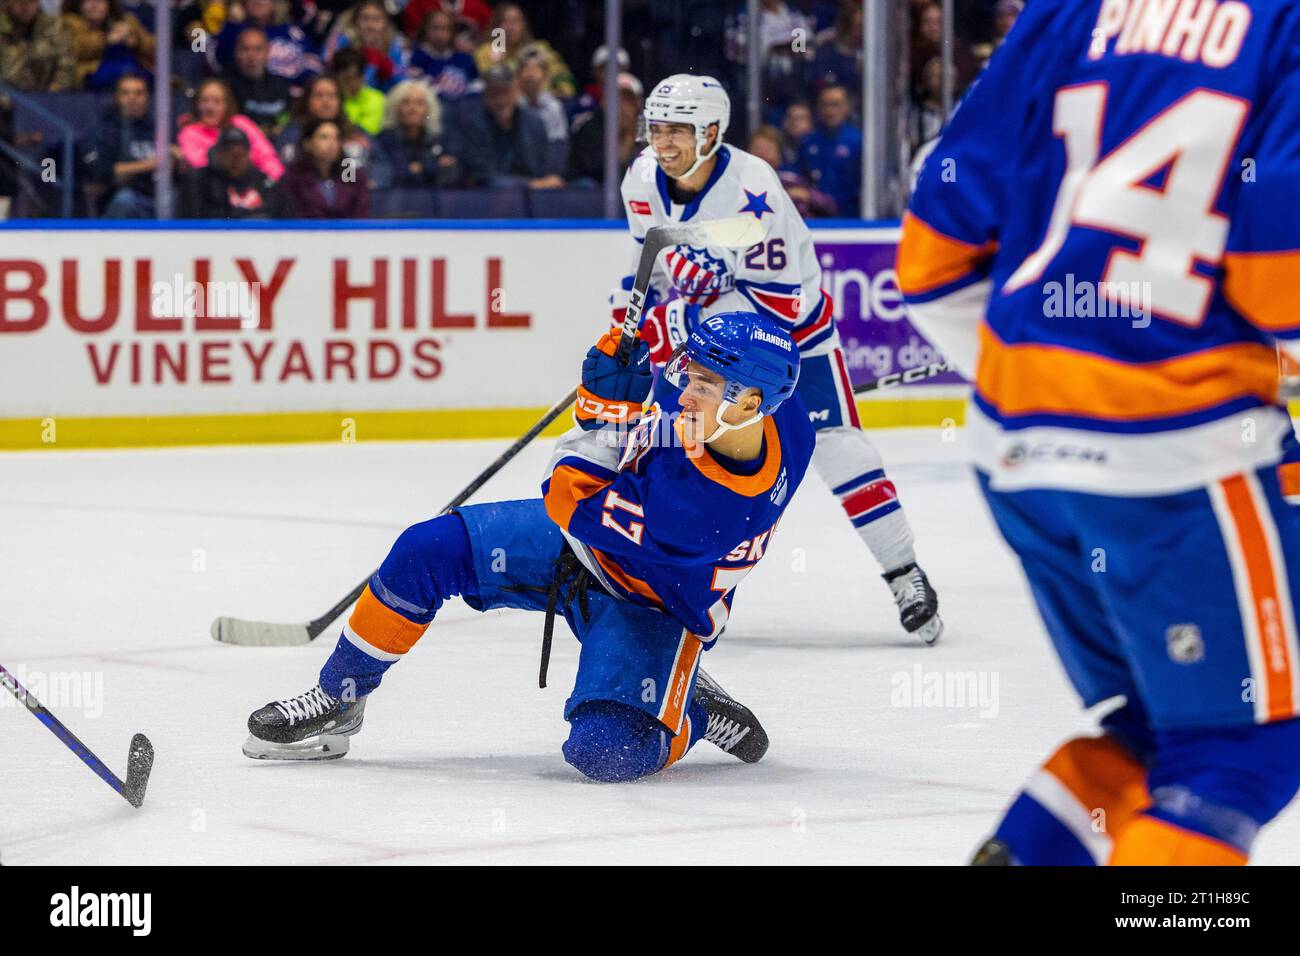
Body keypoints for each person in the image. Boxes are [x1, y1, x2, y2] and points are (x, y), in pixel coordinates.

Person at [898, 0, 1300, 866]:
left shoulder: (1069, 10)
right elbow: (1282, 280)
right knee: (1244, 752)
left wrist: (1057, 389)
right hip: (1179, 456)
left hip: (1013, 451)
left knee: (1163, 727)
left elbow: (929, 261)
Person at [243, 312, 814, 784]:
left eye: (704, 386)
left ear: (747, 405)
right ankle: (338, 697)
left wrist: (599, 414)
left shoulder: (700, 515)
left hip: (655, 600)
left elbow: (567, 493)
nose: (684, 391)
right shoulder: (783, 418)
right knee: (426, 549)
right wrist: (635, 352)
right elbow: (675, 408)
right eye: (691, 374)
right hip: (591, 547)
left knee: (605, 755)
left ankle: (687, 706)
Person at [614, 74, 943, 644]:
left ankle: (903, 573)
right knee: (674, 440)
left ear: (712, 132)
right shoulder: (641, 179)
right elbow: (649, 264)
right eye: (657, 128)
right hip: (711, 347)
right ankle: (683, 583)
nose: (662, 144)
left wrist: (687, 318)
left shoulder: (751, 188)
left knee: (839, 449)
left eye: (678, 132)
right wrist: (633, 320)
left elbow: (778, 305)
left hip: (796, 340)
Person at [457, 62, 562, 189]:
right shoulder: (472, 125)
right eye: (494, 94)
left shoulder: (534, 123)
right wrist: (531, 185)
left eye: (505, 92)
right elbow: (482, 175)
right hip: (489, 198)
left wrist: (544, 181)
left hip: (533, 197)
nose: (500, 100)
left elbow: (542, 166)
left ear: (516, 91)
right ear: (485, 96)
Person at [84, 70, 160, 217]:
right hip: (117, 200)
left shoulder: (158, 128)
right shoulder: (102, 130)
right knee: (125, 200)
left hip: (155, 198)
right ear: (117, 97)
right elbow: (101, 172)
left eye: (139, 93)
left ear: (147, 98)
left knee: (175, 199)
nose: (132, 98)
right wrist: (151, 164)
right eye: (126, 93)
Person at [178, 77, 285, 181]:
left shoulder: (242, 123)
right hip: (213, 190)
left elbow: (267, 156)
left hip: (254, 186)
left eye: (217, 101)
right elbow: (200, 166)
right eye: (205, 101)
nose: (210, 107)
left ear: (227, 104)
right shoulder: (189, 133)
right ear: (196, 104)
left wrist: (272, 181)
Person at [472, 3, 572, 99]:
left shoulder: (540, 49)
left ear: (523, 24)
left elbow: (562, 74)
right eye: (505, 22)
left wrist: (563, 91)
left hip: (541, 104)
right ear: (497, 26)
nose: (511, 27)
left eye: (515, 21)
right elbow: (488, 83)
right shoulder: (486, 52)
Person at [182, 125, 283, 218]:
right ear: (219, 154)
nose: (235, 160)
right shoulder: (200, 181)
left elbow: (276, 215)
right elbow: (194, 219)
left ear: (248, 155)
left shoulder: (262, 181)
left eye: (240, 155)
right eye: (230, 154)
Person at [371, 78, 454, 190]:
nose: (413, 109)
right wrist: (433, 165)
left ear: (429, 109)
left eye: (420, 103)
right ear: (396, 107)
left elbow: (451, 173)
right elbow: (395, 174)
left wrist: (419, 168)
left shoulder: (439, 139)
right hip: (393, 202)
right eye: (406, 102)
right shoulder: (383, 140)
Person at [280, 116, 370, 218]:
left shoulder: (352, 174)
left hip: (348, 233)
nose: (332, 144)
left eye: (337, 138)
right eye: (324, 137)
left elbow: (360, 214)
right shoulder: (293, 177)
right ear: (308, 143)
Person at [794, 83, 861, 218]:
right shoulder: (807, 142)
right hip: (815, 217)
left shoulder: (858, 142)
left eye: (836, 105)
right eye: (825, 105)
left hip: (850, 218)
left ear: (847, 107)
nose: (830, 111)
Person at [276, 72, 370, 167]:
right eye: (319, 95)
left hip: (350, 180)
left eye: (332, 95)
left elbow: (379, 164)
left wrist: (373, 181)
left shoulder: (354, 132)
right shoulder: (293, 132)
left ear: (340, 101)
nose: (326, 101)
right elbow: (288, 166)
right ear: (307, 101)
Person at [566, 71, 640, 185]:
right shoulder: (589, 128)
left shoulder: (648, 132)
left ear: (637, 104)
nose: (622, 106)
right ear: (604, 102)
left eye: (628, 101)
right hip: (596, 193)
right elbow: (589, 169)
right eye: (617, 99)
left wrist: (629, 137)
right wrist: (620, 144)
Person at [61, 0, 154, 90]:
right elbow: (74, 51)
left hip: (136, 72)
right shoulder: (70, 23)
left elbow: (155, 50)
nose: (94, 5)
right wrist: (106, 40)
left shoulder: (127, 20)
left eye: (100, 1)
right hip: (93, 74)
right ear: (79, 4)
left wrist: (137, 42)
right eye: (88, 1)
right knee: (123, 71)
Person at [224, 25, 292, 138]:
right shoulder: (225, 86)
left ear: (267, 51)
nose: (251, 56)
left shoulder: (281, 85)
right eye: (245, 49)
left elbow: (285, 116)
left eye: (257, 49)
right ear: (236, 52)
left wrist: (281, 125)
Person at [0, 0, 76, 92]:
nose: (26, 7)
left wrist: (54, 92)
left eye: (31, 2)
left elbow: (66, 64)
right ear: (9, 3)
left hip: (45, 98)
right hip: (7, 97)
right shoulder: (2, 27)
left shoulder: (53, 26)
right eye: (20, 2)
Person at [408, 7, 477, 101]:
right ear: (424, 30)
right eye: (435, 28)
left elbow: (476, 87)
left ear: (452, 32)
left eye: (445, 29)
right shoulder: (415, 58)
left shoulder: (464, 59)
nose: (440, 34)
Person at [331, 45, 384, 135]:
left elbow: (369, 133)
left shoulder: (377, 98)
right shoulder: (330, 100)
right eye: (347, 79)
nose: (353, 84)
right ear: (336, 78)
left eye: (357, 78)